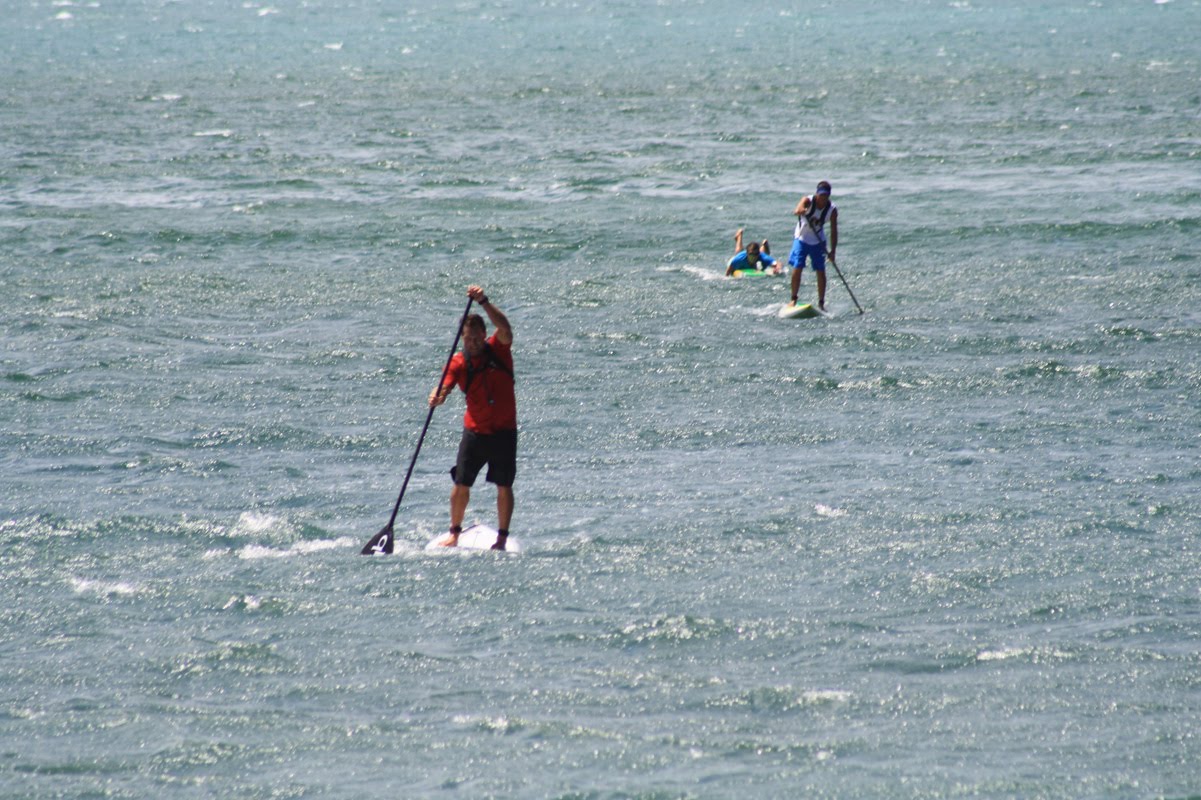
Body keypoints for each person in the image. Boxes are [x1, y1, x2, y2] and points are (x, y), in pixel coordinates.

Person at [428, 285, 517, 550]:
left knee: (504, 485)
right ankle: (454, 533)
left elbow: (505, 327)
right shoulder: (457, 362)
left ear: (484, 335)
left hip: (504, 431)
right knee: (461, 483)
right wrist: (436, 397)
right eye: (468, 339)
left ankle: (501, 539)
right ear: (462, 338)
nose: (473, 343)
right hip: (475, 432)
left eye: (477, 337)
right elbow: (443, 386)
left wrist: (484, 302)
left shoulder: (499, 348)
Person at [788, 180, 838, 309]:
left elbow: (834, 231)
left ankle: (821, 303)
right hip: (802, 238)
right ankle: (793, 298)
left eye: (826, 196)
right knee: (798, 267)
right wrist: (801, 210)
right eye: (821, 195)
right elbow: (797, 209)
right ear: (817, 194)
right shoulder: (808, 200)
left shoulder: (832, 210)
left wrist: (833, 251)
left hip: (818, 241)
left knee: (820, 271)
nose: (823, 198)